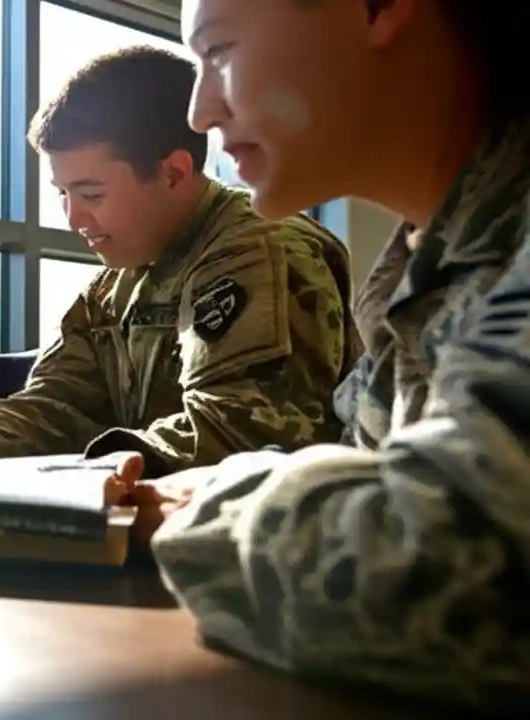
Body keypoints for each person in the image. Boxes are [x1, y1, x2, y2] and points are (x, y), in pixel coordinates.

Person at [118, 0, 529, 712]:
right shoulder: (419, 277)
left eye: (218, 52)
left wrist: (219, 499)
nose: (200, 111)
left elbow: (462, 576)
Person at [0, 47, 357, 478]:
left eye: (91, 193)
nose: (74, 218)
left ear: (173, 172)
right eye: (62, 194)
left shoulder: (260, 250)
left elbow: (245, 433)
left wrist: (90, 472)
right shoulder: (115, 285)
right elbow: (52, 409)